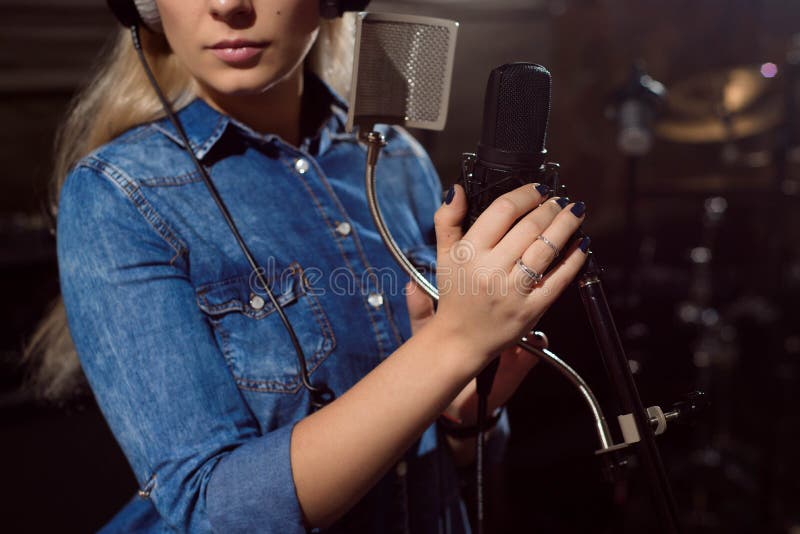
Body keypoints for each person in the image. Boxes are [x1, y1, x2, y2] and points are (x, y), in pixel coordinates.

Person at [35, 0, 590, 531]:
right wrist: (454, 345)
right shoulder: (116, 195)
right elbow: (211, 511)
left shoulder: (395, 157)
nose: (228, 6)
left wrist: (464, 419)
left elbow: (456, 468)